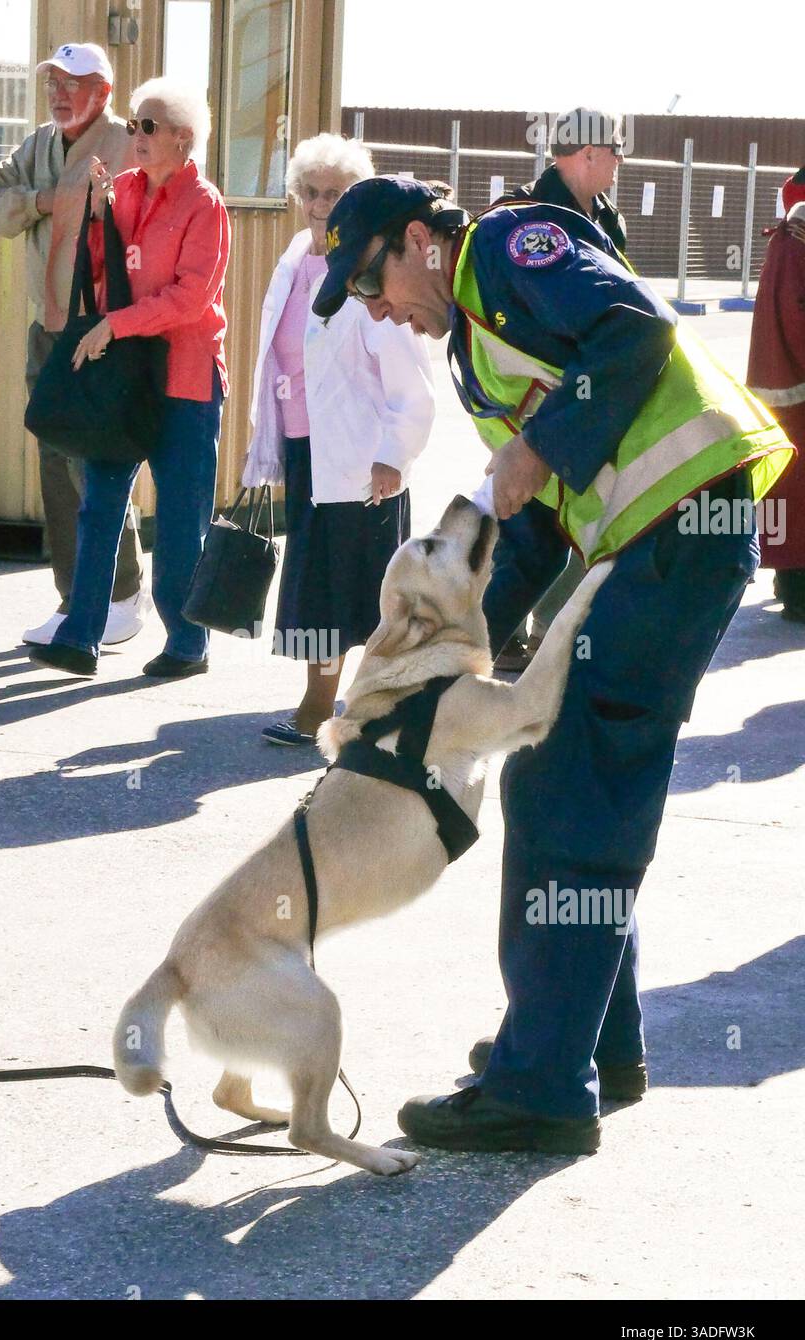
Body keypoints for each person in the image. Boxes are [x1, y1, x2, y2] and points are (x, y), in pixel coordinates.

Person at [312, 175, 792, 1154]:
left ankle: (541, 1082)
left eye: (372, 280)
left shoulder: (503, 249)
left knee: (566, 779)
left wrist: (537, 442)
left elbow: (632, 332)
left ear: (417, 239)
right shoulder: (472, 343)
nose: (377, 309)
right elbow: (529, 519)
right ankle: (589, 1045)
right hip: (650, 544)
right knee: (574, 778)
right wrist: (425, 664)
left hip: (682, 530)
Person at [29, 78, 229, 680]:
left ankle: (187, 644)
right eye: (135, 124)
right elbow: (99, 270)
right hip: (124, 378)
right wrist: (95, 217)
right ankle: (80, 634)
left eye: (147, 126)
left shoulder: (206, 205)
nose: (134, 135)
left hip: (185, 379)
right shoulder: (120, 191)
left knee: (178, 518)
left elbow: (192, 298)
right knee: (100, 503)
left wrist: (118, 325)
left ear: (183, 139)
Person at [243, 134, 434, 745]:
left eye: (335, 194)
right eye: (311, 193)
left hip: (360, 462)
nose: (321, 205)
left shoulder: (371, 271)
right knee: (317, 582)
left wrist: (391, 456)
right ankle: (333, 703)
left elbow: (412, 382)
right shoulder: (297, 260)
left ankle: (337, 708)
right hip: (306, 451)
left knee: (362, 591)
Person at [0, 41, 149, 648]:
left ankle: (124, 593)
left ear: (104, 92)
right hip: (47, 329)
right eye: (52, 81)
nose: (58, 93)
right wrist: (46, 201)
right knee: (54, 460)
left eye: (73, 83)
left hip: (101, 331)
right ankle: (73, 598)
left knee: (95, 465)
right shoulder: (38, 147)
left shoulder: (129, 142)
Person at [496, 107, 627, 671]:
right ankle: (495, 642)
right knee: (528, 525)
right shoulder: (523, 215)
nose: (621, 163)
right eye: (615, 152)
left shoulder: (604, 217)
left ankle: (550, 638)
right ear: (590, 154)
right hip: (535, 399)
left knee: (572, 522)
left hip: (586, 396)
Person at [746, 168, 805, 623]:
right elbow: (796, 316)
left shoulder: (790, 239)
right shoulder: (795, 241)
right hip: (793, 390)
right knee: (796, 493)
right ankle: (797, 591)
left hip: (785, 383)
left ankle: (792, 584)